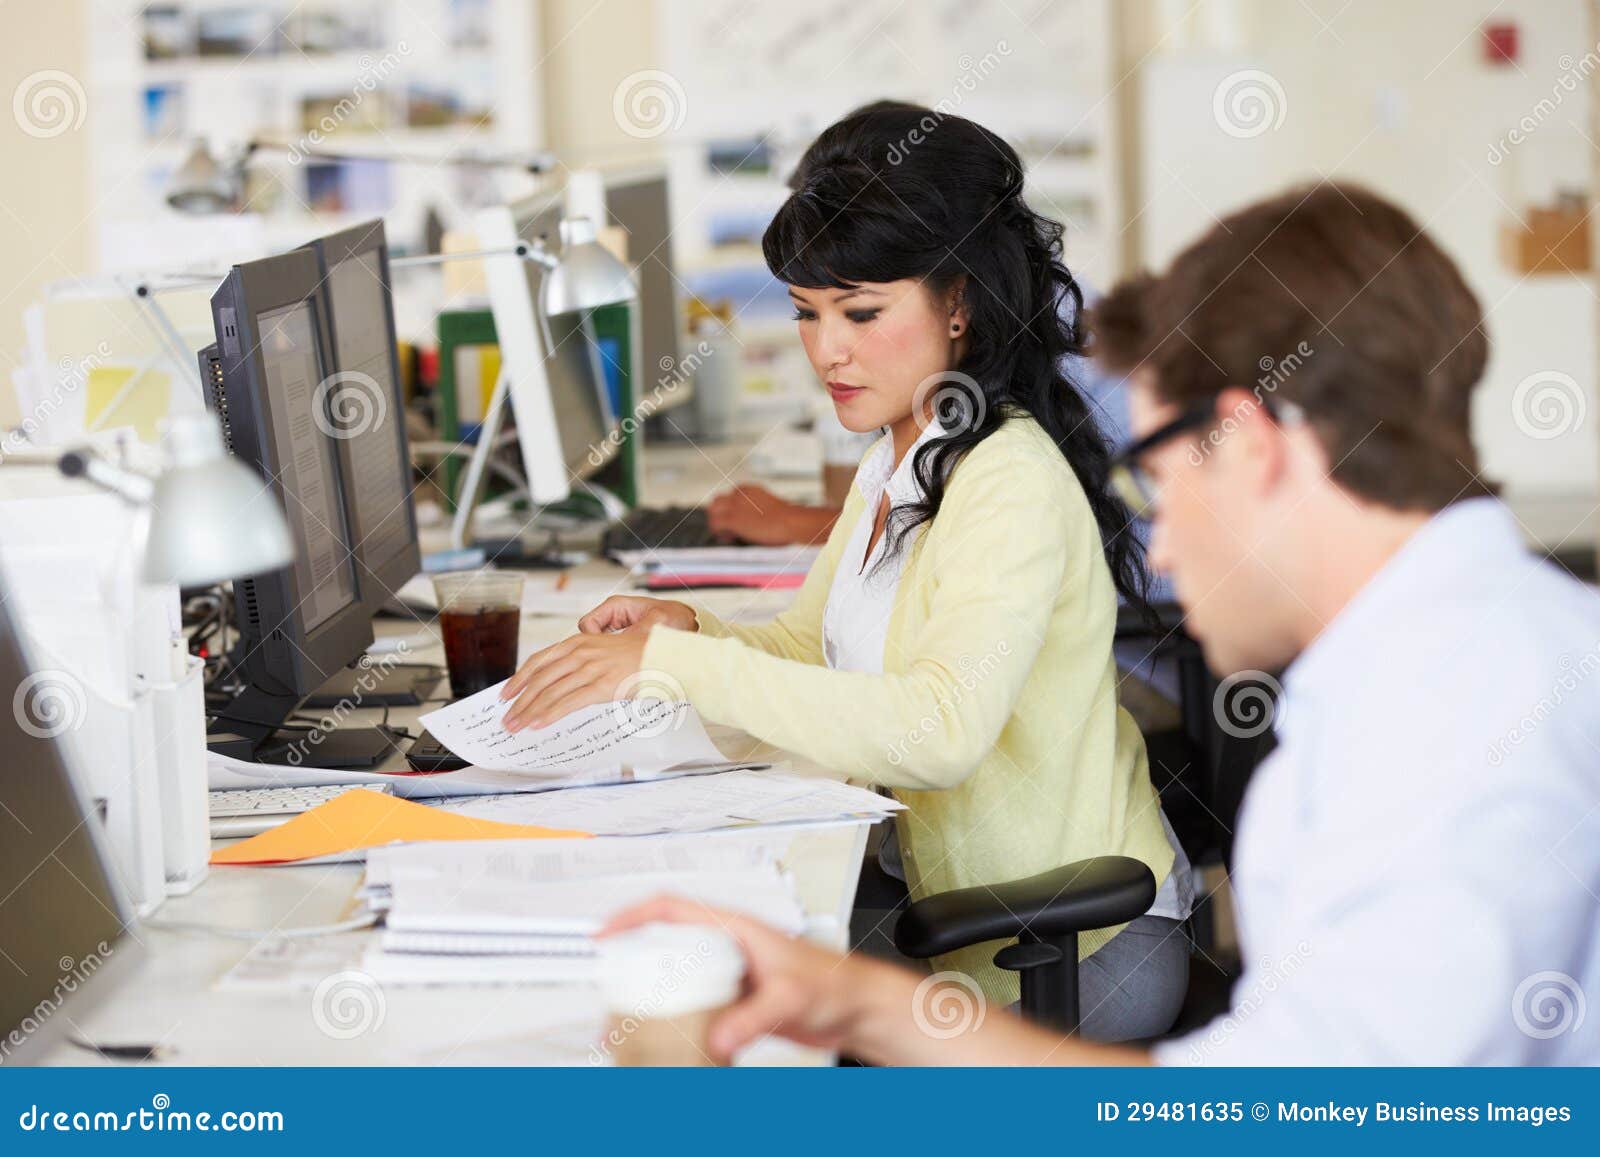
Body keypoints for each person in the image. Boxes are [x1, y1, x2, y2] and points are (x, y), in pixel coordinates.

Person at [602, 182, 1600, 1066]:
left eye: (1155, 482)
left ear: (1250, 446)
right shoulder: (1444, 660)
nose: (1157, 556)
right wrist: (858, 1002)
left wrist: (867, 1006)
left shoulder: (1456, 719)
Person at [501, 101, 1193, 1037]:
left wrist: (680, 668)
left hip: (1067, 950)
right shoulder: (899, 451)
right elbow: (810, 644)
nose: (827, 350)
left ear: (958, 304)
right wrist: (688, 629)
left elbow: (941, 729)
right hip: (946, 908)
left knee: (709, 995)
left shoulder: (1008, 479)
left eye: (862, 313)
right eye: (807, 313)